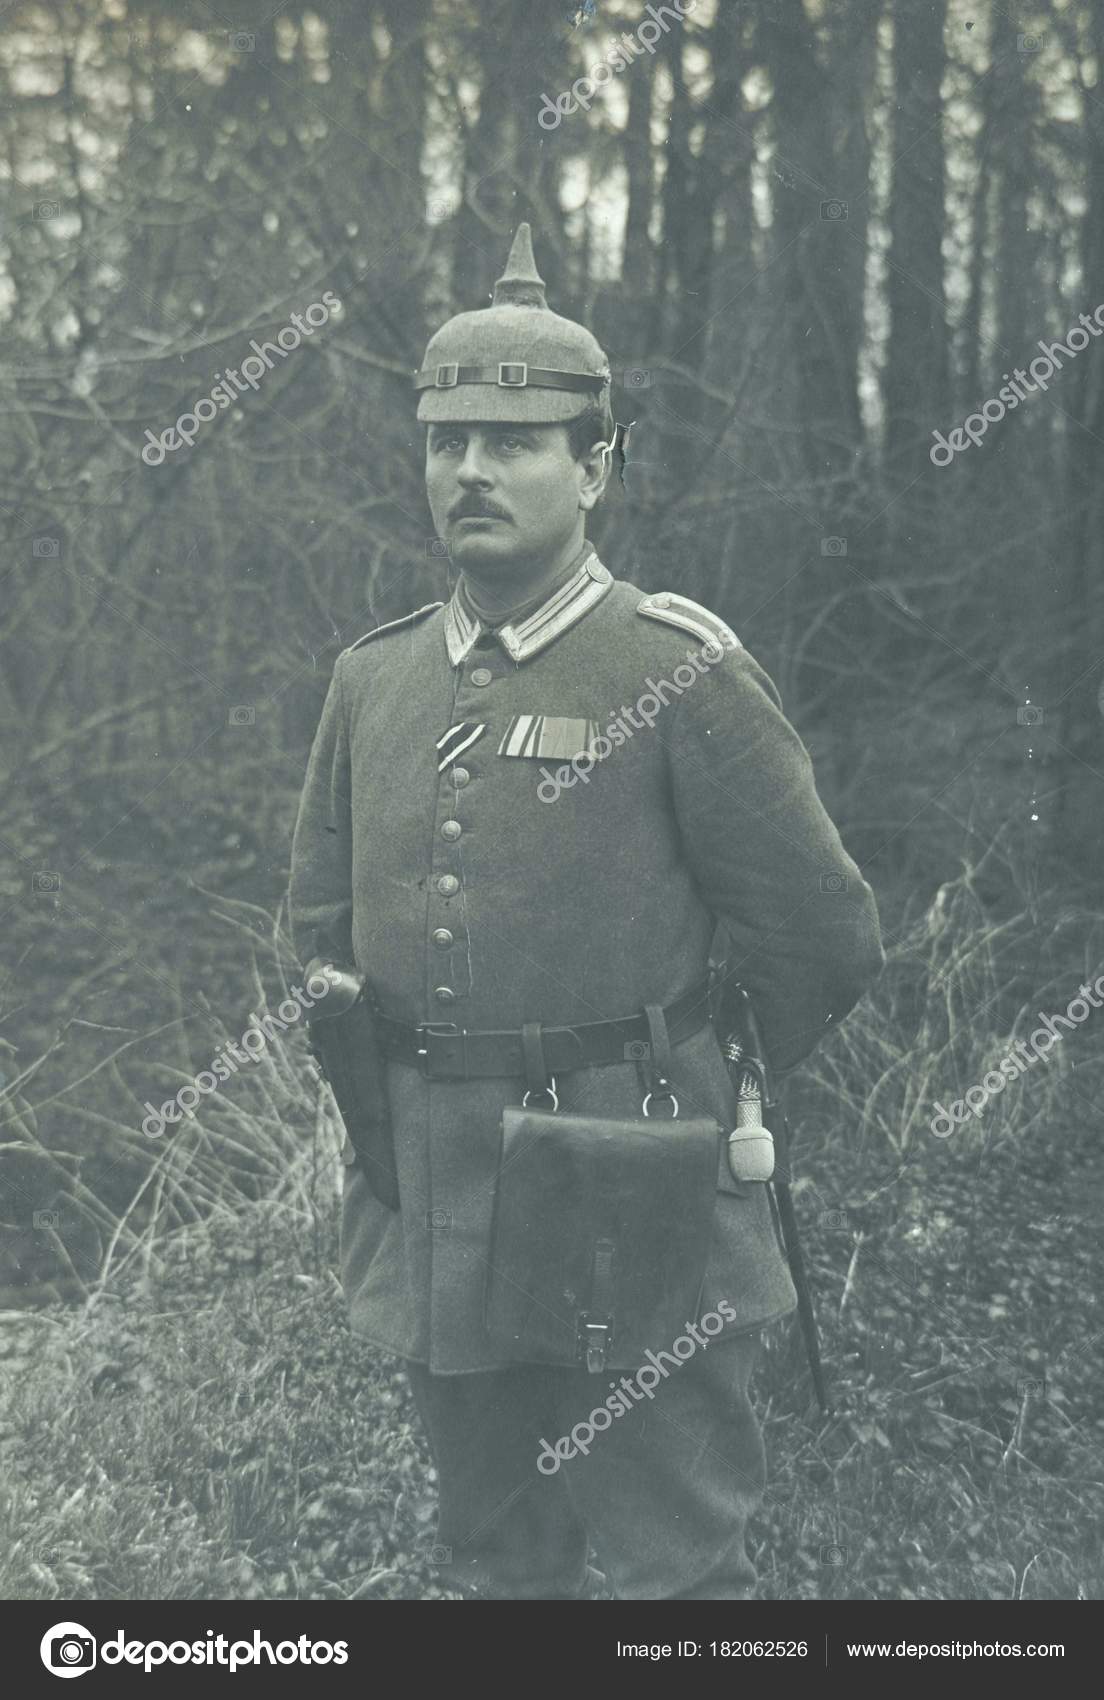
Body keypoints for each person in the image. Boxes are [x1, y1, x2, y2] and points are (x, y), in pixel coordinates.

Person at [289, 223, 884, 1600]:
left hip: (642, 1201)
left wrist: (680, 1093)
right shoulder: (371, 683)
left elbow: (825, 941)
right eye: (449, 443)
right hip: (437, 1199)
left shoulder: (676, 670)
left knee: (681, 1571)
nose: (474, 471)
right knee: (505, 1560)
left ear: (596, 467)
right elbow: (316, 929)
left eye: (518, 442)